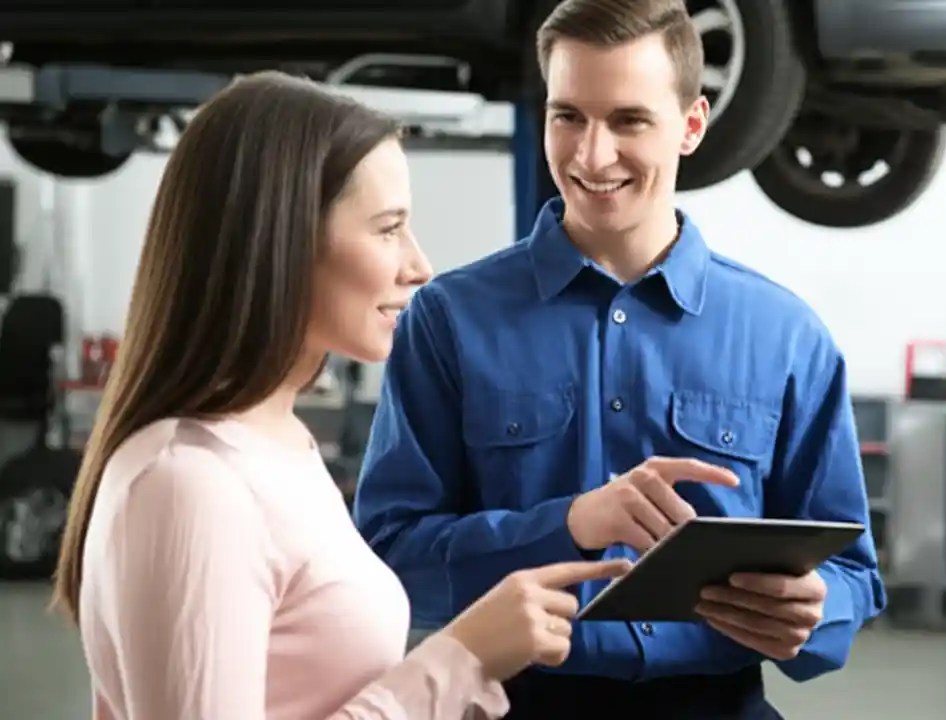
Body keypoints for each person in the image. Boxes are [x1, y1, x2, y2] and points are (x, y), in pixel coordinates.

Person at [354, 0, 886, 717]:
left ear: (692, 125)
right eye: (567, 115)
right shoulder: (449, 322)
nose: (590, 155)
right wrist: (568, 525)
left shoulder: (787, 336)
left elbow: (853, 572)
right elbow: (391, 560)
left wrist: (816, 609)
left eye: (629, 121)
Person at [48, 71, 629, 720]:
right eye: (387, 229)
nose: (419, 265)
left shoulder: (278, 448)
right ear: (283, 241)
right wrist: (458, 660)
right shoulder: (191, 483)